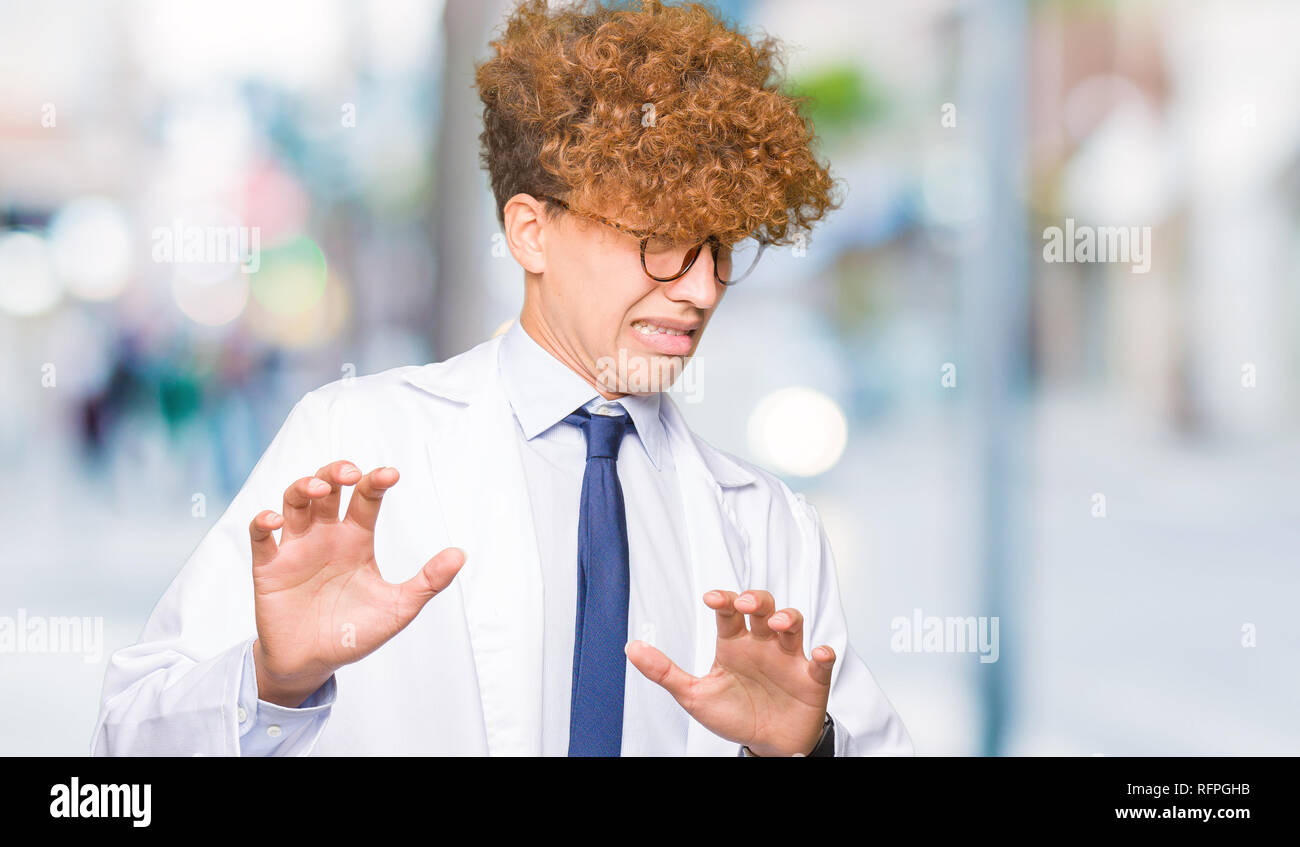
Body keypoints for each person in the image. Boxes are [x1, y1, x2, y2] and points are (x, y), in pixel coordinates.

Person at [92, 0, 913, 757]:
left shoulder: (770, 525)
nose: (699, 288)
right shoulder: (353, 442)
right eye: (661, 241)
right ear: (530, 232)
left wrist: (810, 751)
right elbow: (123, 747)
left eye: (719, 248)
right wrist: (274, 681)